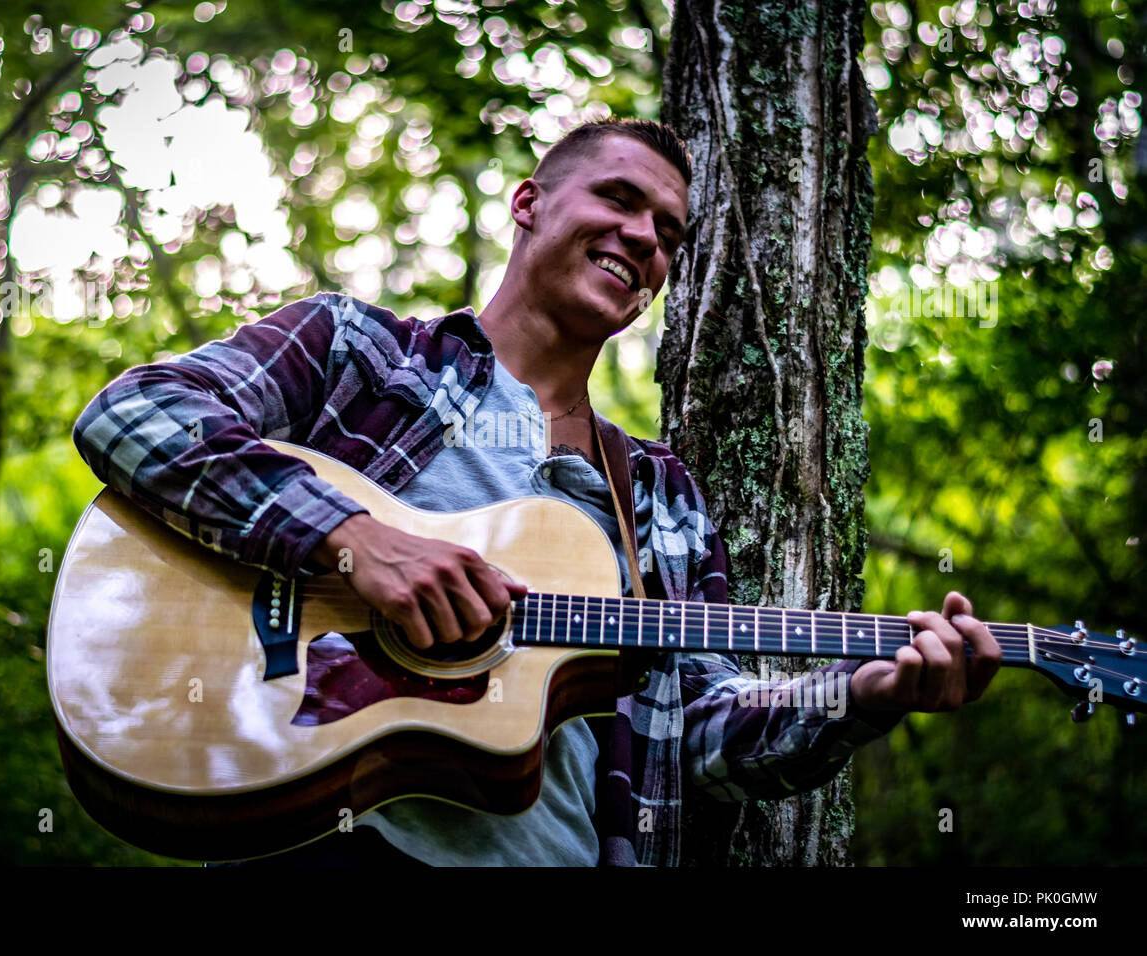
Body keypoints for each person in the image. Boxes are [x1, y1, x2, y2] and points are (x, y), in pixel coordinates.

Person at [72, 117, 1002, 867]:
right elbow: (135, 414)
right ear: (529, 202)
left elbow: (700, 739)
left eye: (669, 234)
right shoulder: (363, 353)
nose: (644, 239)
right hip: (323, 825)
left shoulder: (660, 500)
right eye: (619, 198)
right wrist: (356, 540)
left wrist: (868, 694)